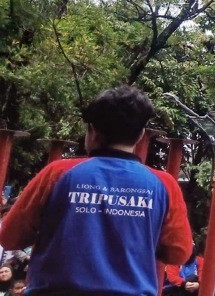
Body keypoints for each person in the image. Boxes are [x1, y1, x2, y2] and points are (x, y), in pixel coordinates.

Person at [0, 85, 193, 295]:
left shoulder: (58, 173)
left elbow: (10, 237)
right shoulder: (163, 184)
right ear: (141, 135)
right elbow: (179, 253)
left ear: (92, 131)